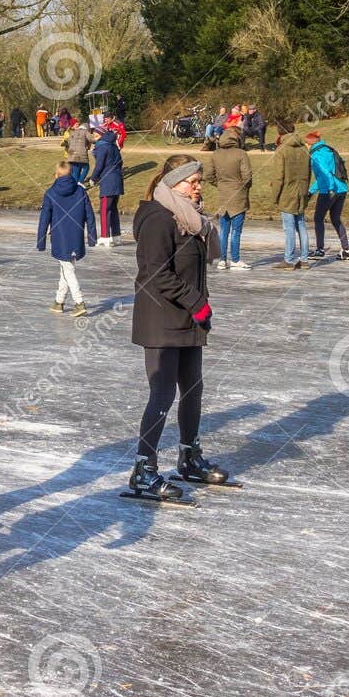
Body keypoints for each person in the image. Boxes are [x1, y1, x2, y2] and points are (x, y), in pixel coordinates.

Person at [128, 155, 229, 506]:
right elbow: (154, 273)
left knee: (193, 390)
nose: (199, 187)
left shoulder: (191, 220)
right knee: (162, 394)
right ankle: (144, 467)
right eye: (193, 181)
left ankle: (188, 456)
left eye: (200, 180)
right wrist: (195, 302)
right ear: (173, 183)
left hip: (188, 317)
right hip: (162, 319)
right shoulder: (158, 218)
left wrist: (199, 306)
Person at [37, 159, 98, 316]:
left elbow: (44, 219)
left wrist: (41, 240)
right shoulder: (80, 191)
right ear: (71, 174)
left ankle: (79, 302)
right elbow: (90, 215)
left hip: (60, 239)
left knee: (68, 270)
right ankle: (59, 301)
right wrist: (92, 237)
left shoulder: (50, 193)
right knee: (65, 268)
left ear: (56, 175)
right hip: (76, 237)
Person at [204, 122, 252, 270]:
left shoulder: (215, 154)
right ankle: (236, 259)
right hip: (238, 197)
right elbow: (247, 177)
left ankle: (222, 260)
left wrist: (220, 185)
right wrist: (244, 188)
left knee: (224, 230)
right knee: (236, 231)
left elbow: (208, 175)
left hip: (223, 196)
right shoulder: (241, 154)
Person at [269, 125, 312, 269]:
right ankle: (304, 259)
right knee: (301, 225)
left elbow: (278, 177)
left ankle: (289, 260)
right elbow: (308, 172)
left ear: (280, 134)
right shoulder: (304, 148)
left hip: (287, 194)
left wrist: (275, 197)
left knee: (289, 228)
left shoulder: (282, 150)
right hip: (301, 191)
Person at [307, 130, 349, 260]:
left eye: (306, 144)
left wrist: (312, 191)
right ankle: (346, 250)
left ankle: (320, 249)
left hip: (329, 190)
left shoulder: (316, 155)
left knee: (318, 218)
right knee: (336, 219)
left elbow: (325, 175)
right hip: (342, 189)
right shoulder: (328, 150)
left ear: (310, 144)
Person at [88, 122, 124, 247]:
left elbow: (100, 165)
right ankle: (116, 236)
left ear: (101, 134)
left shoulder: (102, 146)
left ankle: (104, 236)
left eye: (96, 134)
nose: (94, 136)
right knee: (113, 209)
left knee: (105, 209)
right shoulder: (113, 145)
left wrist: (93, 178)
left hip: (108, 181)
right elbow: (120, 162)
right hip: (117, 180)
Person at [62, 118, 91, 185]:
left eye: (78, 124)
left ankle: (75, 184)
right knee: (76, 170)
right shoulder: (68, 132)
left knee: (77, 170)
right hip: (71, 154)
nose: (78, 125)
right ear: (72, 126)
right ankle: (77, 183)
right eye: (76, 124)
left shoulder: (80, 131)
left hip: (77, 155)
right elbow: (66, 142)